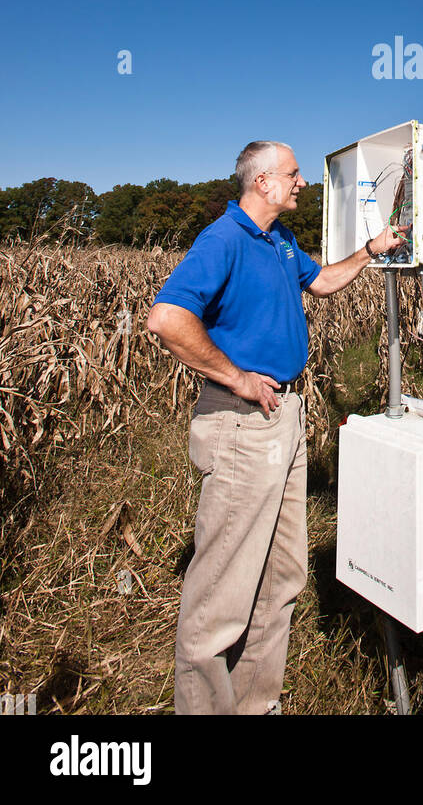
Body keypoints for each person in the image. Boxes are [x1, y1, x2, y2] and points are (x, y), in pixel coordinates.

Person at [146, 139, 404, 715]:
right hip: (242, 426)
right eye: (292, 174)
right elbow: (166, 318)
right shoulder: (224, 239)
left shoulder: (282, 241)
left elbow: (324, 283)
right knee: (221, 594)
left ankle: (255, 702)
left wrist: (371, 249)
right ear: (261, 182)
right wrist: (237, 379)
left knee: (282, 575)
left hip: (282, 418)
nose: (301, 183)